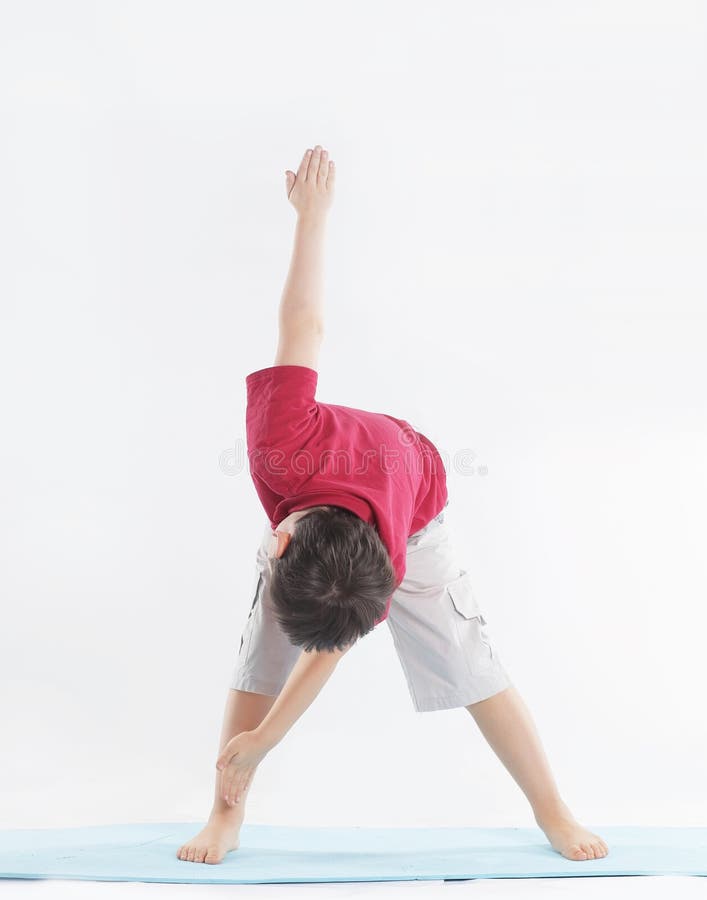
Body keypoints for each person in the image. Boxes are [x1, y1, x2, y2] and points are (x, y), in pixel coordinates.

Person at [177, 145, 609, 865]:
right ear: (279, 543)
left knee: (473, 663)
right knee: (262, 650)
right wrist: (312, 218)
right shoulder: (282, 440)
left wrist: (268, 740)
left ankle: (552, 809)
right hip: (350, 483)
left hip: (415, 506)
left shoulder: (388, 560)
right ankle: (224, 817)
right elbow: (305, 322)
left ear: (278, 543)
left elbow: (334, 642)